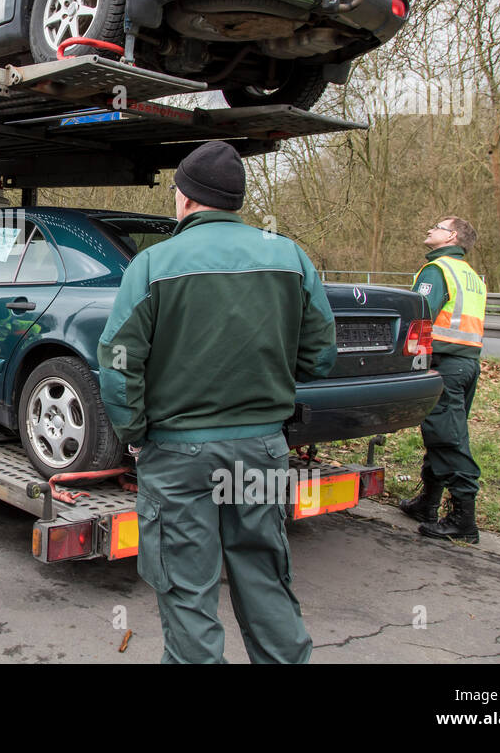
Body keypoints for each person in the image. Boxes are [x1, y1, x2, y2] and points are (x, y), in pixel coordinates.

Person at [98, 142, 338, 664]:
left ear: (185, 198)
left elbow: (117, 363)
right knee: (264, 575)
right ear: (235, 201)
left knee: (187, 589)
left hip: (178, 455)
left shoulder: (152, 265)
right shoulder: (290, 256)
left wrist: (136, 431)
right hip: (262, 451)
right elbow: (321, 356)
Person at [399, 217, 485, 543]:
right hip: (467, 363)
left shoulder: (438, 271)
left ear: (451, 236)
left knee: (448, 438)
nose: (429, 228)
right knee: (442, 432)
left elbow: (420, 316)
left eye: (437, 225)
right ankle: (428, 502)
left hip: (444, 363)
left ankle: (464, 519)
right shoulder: (471, 275)